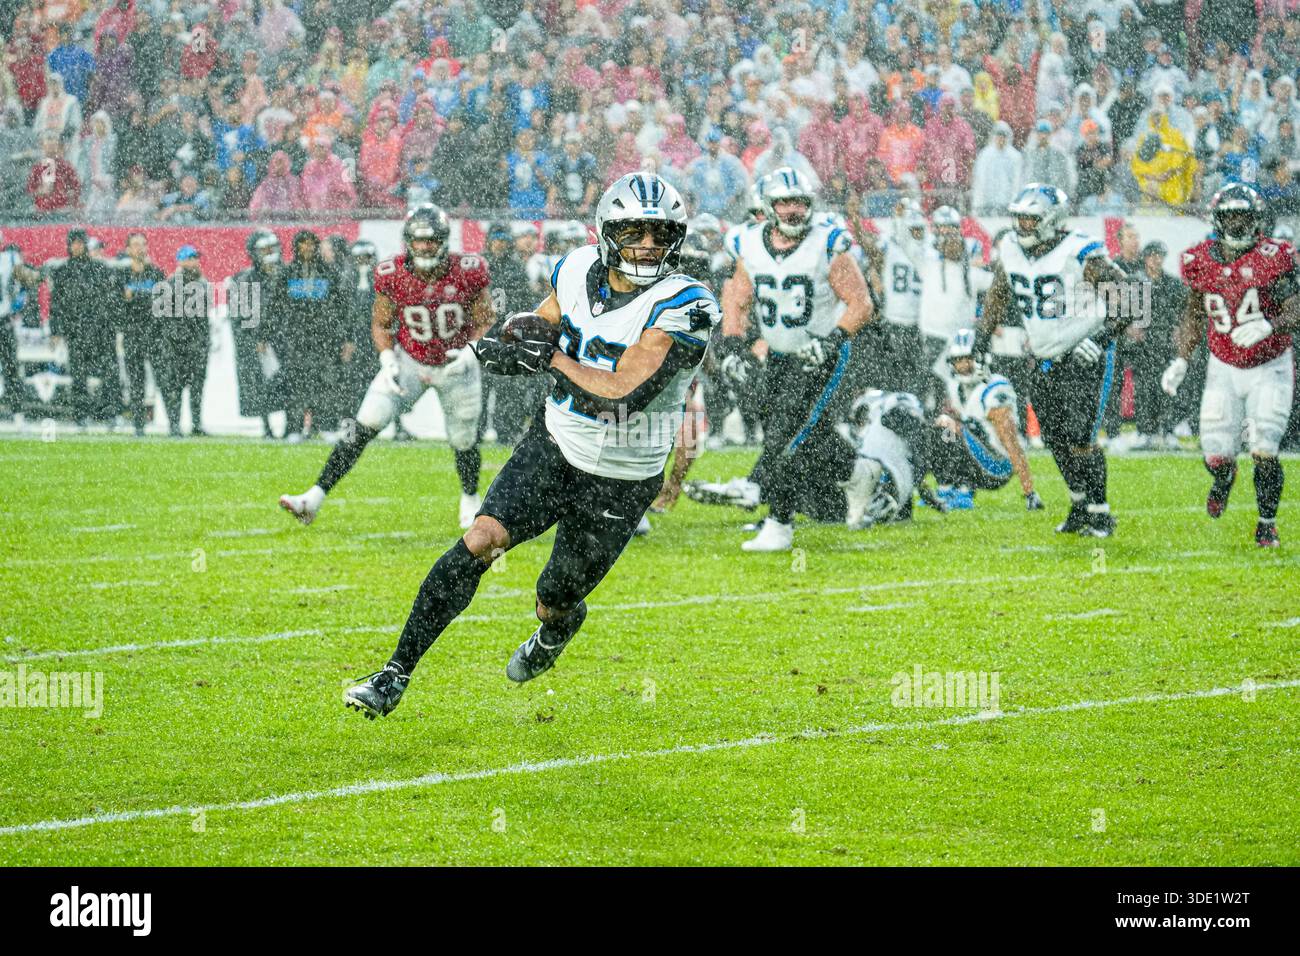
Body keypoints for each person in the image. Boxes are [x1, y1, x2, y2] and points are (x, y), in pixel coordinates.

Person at [342, 173, 721, 717]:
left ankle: (558, 624)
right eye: (634, 231)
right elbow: (539, 324)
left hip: (622, 474)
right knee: (482, 539)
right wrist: (501, 346)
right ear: (608, 232)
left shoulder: (687, 303)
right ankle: (393, 675)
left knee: (555, 596)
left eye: (660, 234)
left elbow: (625, 394)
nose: (648, 245)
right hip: (556, 445)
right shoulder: (574, 270)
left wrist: (552, 359)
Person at [279, 204, 493, 532]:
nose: (424, 247)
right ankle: (314, 497)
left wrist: (472, 350)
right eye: (418, 240)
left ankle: (469, 497)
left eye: (431, 240)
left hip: (456, 362)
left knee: (464, 438)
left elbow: (484, 318)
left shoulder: (468, 270)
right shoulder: (392, 273)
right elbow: (381, 322)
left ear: (444, 240)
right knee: (363, 424)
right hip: (409, 359)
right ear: (407, 240)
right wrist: (387, 357)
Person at [718, 166, 876, 552]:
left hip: (821, 355)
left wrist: (831, 340)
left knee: (787, 437)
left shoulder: (826, 244)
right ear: (769, 207)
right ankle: (859, 473)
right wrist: (735, 347)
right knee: (805, 433)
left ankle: (779, 524)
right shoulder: (749, 243)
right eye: (785, 202)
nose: (793, 210)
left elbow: (862, 303)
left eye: (800, 202)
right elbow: (737, 297)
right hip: (778, 355)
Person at [976, 183, 1137, 538]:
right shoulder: (1011, 248)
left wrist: (1102, 337)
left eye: (1030, 220)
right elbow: (998, 293)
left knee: (1081, 437)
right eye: (1018, 218)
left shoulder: (1078, 251)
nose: (1022, 226)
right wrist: (980, 342)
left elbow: (1133, 296)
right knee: (1055, 438)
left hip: (1085, 354)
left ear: (1051, 219)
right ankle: (1079, 504)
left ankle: (1100, 512)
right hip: (1044, 357)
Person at [1162, 184, 1297, 548]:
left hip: (1270, 365)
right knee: (1215, 452)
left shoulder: (1275, 255)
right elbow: (1192, 312)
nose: (1237, 223)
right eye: (1230, 216)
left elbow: (1296, 306)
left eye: (1244, 215)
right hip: (1222, 365)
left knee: (1263, 447)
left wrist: (1271, 324)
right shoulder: (1198, 259)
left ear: (1257, 220)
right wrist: (1181, 358)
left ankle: (1266, 523)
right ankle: (1224, 478)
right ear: (1217, 220)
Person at [931, 328, 1042, 511]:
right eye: (958, 360)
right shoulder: (955, 388)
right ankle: (947, 489)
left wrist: (1029, 491)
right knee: (939, 430)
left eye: (968, 358)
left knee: (951, 428)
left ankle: (965, 491)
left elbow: (1010, 440)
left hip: (998, 465)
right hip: (978, 456)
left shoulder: (995, 388)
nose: (963, 365)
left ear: (981, 357)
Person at [47, 229, 117, 426]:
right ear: (69, 246)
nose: (76, 246)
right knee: (78, 375)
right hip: (75, 331)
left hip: (101, 329)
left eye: (80, 243)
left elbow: (111, 300)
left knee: (108, 374)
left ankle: (107, 414)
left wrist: (111, 324)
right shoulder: (62, 272)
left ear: (86, 245)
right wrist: (55, 331)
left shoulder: (100, 269)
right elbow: (56, 304)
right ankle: (81, 414)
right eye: (73, 243)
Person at [229, 231, 283, 438]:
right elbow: (240, 316)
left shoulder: (286, 275)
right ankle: (267, 427)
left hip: (283, 339)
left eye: (272, 248)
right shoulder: (243, 280)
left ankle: (292, 426)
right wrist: (257, 337)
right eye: (264, 250)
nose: (270, 254)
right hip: (258, 343)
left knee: (290, 383)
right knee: (260, 385)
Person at [155, 246, 212, 436]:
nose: (195, 262)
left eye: (196, 258)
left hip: (196, 345)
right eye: (191, 258)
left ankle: (196, 424)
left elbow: (204, 318)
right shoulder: (170, 284)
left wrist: (203, 342)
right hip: (175, 345)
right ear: (180, 261)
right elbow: (161, 318)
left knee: (197, 387)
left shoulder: (202, 284)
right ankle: (174, 425)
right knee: (175, 387)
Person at [113, 232, 165, 436]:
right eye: (135, 245)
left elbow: (162, 303)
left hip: (154, 334)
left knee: (164, 378)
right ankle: (138, 426)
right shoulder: (121, 275)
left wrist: (134, 297)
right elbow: (117, 305)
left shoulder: (156, 273)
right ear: (128, 249)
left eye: (143, 244)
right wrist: (144, 299)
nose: (140, 248)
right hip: (132, 334)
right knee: (136, 382)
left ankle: (173, 425)